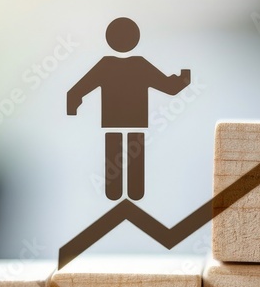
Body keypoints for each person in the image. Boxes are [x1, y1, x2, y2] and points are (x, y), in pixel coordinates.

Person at [67, 17, 190, 200]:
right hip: (134, 120)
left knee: (117, 146)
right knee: (132, 148)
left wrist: (73, 104)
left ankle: (117, 191)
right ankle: (131, 191)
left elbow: (78, 90)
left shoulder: (106, 65)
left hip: (114, 120)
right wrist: (184, 77)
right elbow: (170, 87)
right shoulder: (139, 65)